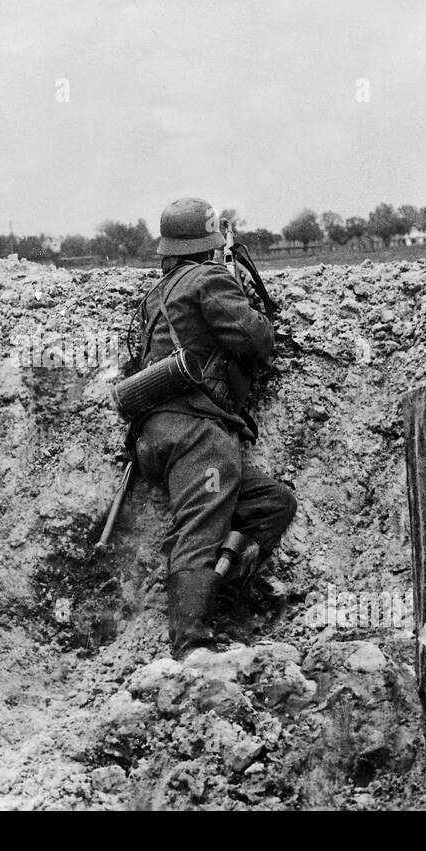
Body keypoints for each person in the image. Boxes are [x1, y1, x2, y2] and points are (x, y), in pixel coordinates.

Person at [127, 197, 297, 658]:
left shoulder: (158, 293)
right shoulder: (210, 278)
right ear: (210, 244)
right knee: (201, 528)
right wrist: (241, 290)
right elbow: (257, 340)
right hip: (197, 430)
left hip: (157, 433)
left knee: (272, 504)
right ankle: (191, 642)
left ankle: (220, 592)